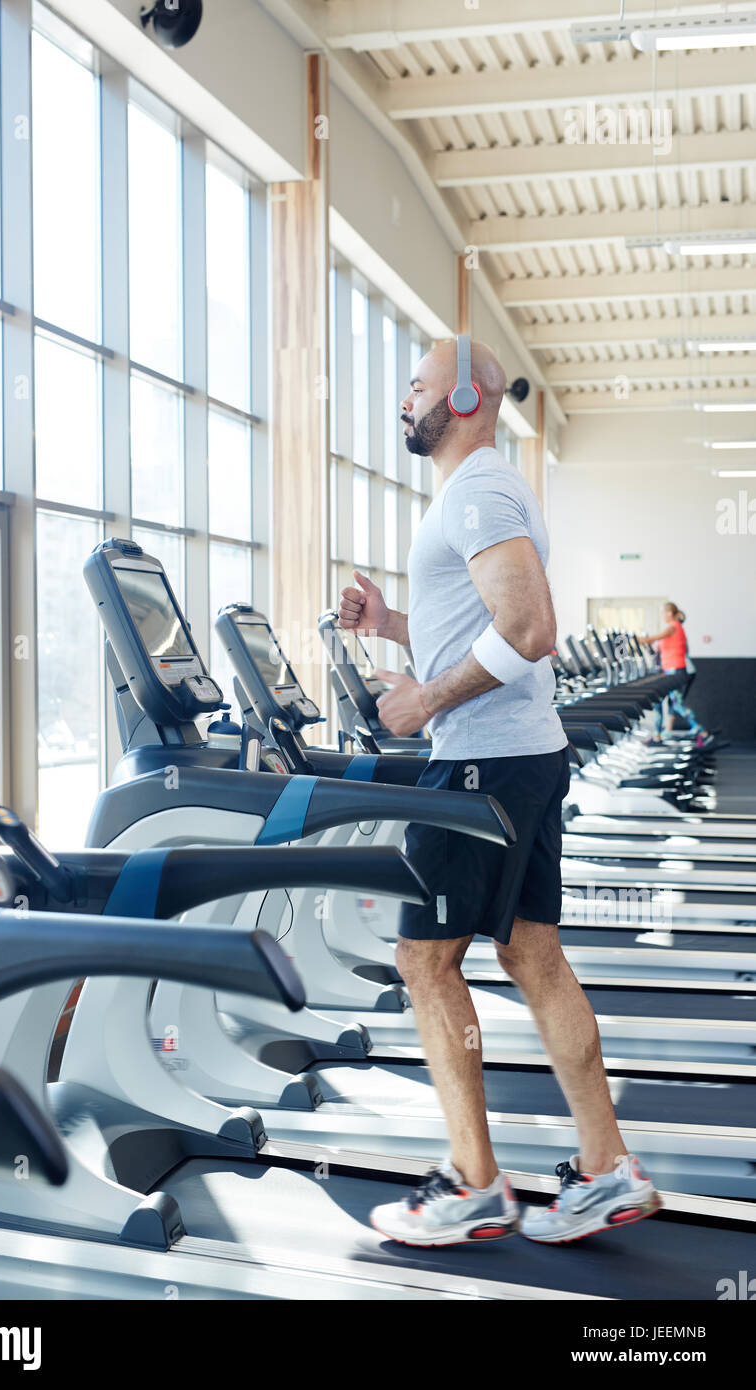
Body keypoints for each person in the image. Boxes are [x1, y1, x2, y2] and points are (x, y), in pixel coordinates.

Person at [338, 338, 660, 1246]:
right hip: (519, 754)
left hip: (482, 762)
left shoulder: (476, 490)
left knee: (425, 964)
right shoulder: (477, 493)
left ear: (469, 395)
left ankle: (477, 1184)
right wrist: (394, 626)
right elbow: (480, 625)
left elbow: (529, 627)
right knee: (533, 956)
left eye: (418, 385)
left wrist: (425, 702)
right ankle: (606, 1169)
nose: (404, 399)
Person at [643, 602, 709, 747]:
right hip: (668, 671)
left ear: (669, 613)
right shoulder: (671, 630)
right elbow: (655, 648)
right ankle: (659, 735)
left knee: (675, 703)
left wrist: (636, 639)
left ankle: (700, 730)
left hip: (676, 671)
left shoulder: (674, 627)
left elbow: (652, 638)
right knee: (663, 701)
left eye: (663, 613)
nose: (662, 616)